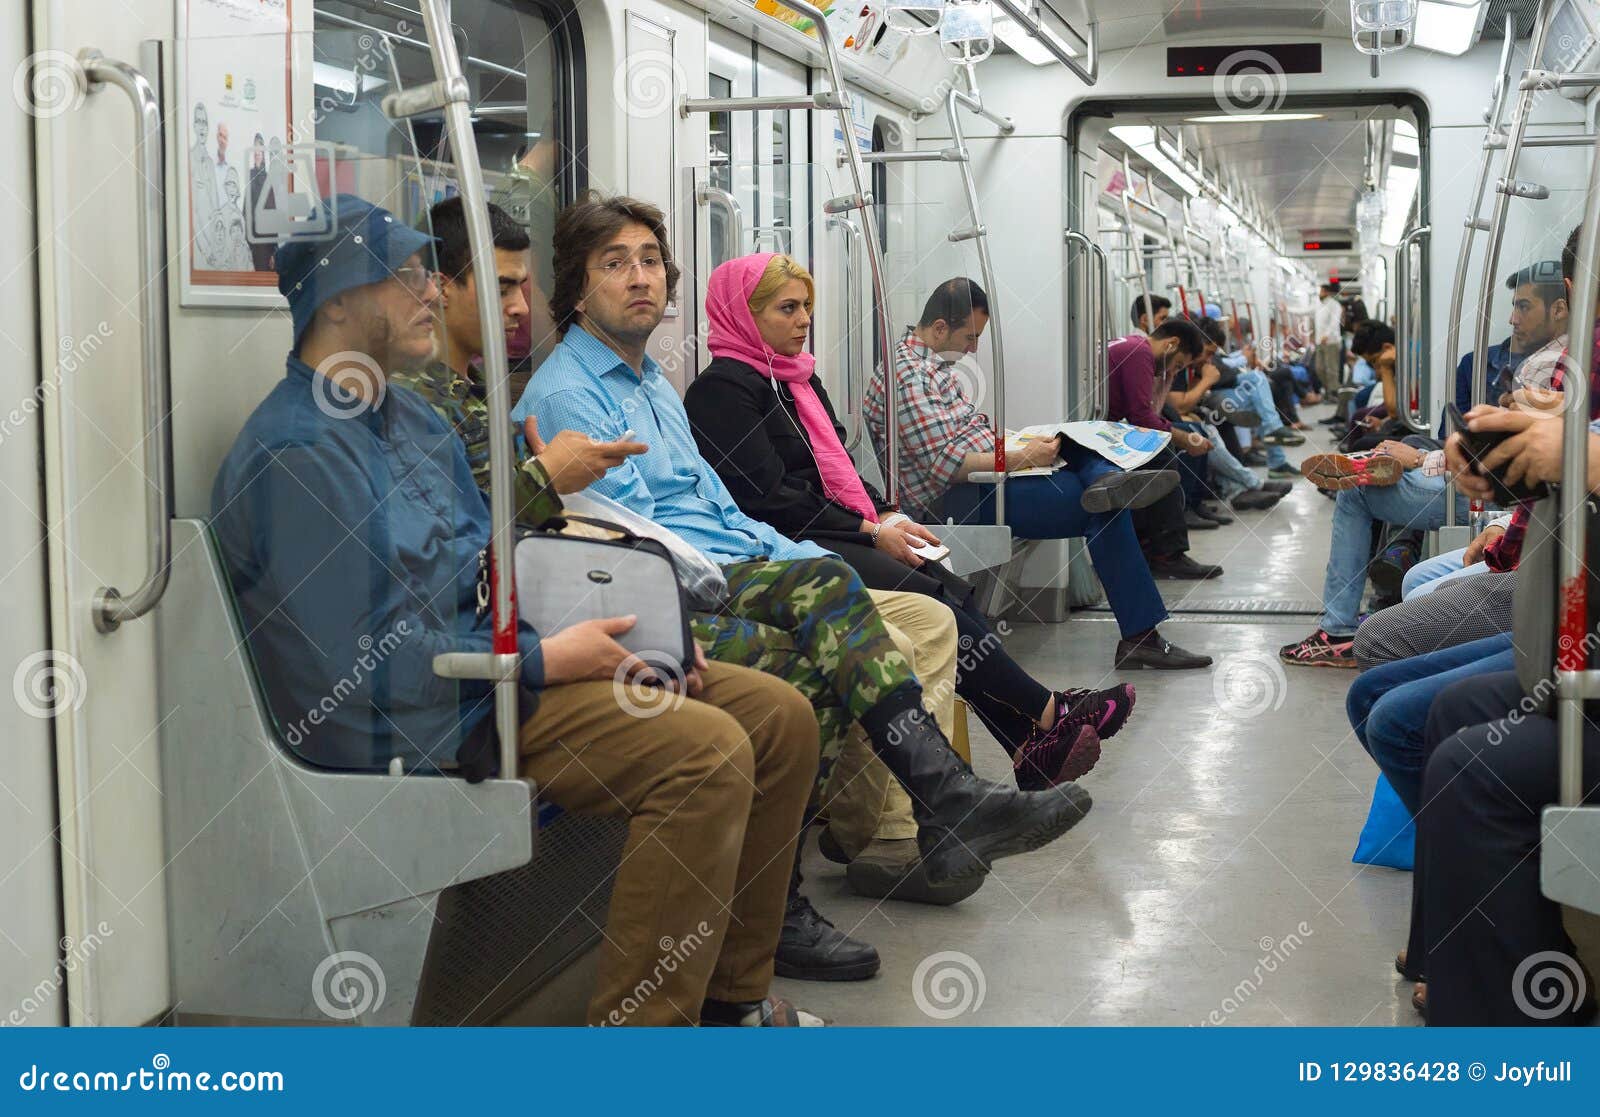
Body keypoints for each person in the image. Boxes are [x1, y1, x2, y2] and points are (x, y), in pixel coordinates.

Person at [209, 195, 825, 1027]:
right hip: (426, 714)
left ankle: (731, 997)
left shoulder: (413, 419)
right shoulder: (298, 454)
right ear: (340, 301)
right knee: (707, 754)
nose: (432, 293)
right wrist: (544, 659)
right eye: (408, 277)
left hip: (489, 669)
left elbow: (493, 560)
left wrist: (648, 627)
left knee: (778, 716)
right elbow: (356, 668)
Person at [512, 194, 1094, 899]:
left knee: (926, 617)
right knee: (854, 619)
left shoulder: (655, 386)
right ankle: (899, 828)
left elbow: (720, 505)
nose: (640, 277)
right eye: (615, 264)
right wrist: (802, 561)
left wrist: (800, 556)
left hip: (737, 553)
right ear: (577, 287)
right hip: (681, 584)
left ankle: (911, 827)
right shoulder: (573, 396)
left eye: (650, 261)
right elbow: (639, 546)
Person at [684, 251, 1140, 790]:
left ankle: (1029, 741)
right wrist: (871, 530)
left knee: (952, 588)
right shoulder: (723, 391)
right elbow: (772, 498)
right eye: (788, 308)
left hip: (845, 521)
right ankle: (1047, 714)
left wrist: (884, 511)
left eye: (807, 306)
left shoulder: (799, 380)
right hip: (798, 536)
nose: (804, 319)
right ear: (745, 313)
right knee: (931, 596)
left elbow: (842, 468)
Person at [866, 277, 1211, 668]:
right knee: (1103, 508)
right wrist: (1021, 456)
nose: (974, 348)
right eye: (970, 337)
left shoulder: (931, 368)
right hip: (960, 498)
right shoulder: (909, 375)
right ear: (941, 328)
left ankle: (1106, 480)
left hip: (986, 479)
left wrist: (1023, 445)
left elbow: (967, 437)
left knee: (1073, 445)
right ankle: (1141, 634)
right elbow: (947, 464)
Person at [1105, 318, 1229, 583]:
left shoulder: (1132, 346)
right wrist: (1184, 439)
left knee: (1158, 449)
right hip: (1095, 433)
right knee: (1162, 450)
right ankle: (1168, 554)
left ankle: (1149, 547)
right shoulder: (1139, 353)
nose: (1173, 370)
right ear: (1171, 343)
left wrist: (1168, 377)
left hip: (1103, 427)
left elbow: (1149, 412)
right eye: (1178, 364)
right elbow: (1141, 416)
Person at [1313, 281, 1343, 395]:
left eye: (1321, 291)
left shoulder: (1335, 305)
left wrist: (1327, 335)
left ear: (1327, 292)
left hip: (1331, 342)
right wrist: (1287, 309)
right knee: (1319, 368)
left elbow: (1334, 322)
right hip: (1319, 342)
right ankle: (1327, 390)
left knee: (1332, 369)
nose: (1319, 293)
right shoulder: (1318, 304)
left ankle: (1333, 393)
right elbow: (1305, 311)